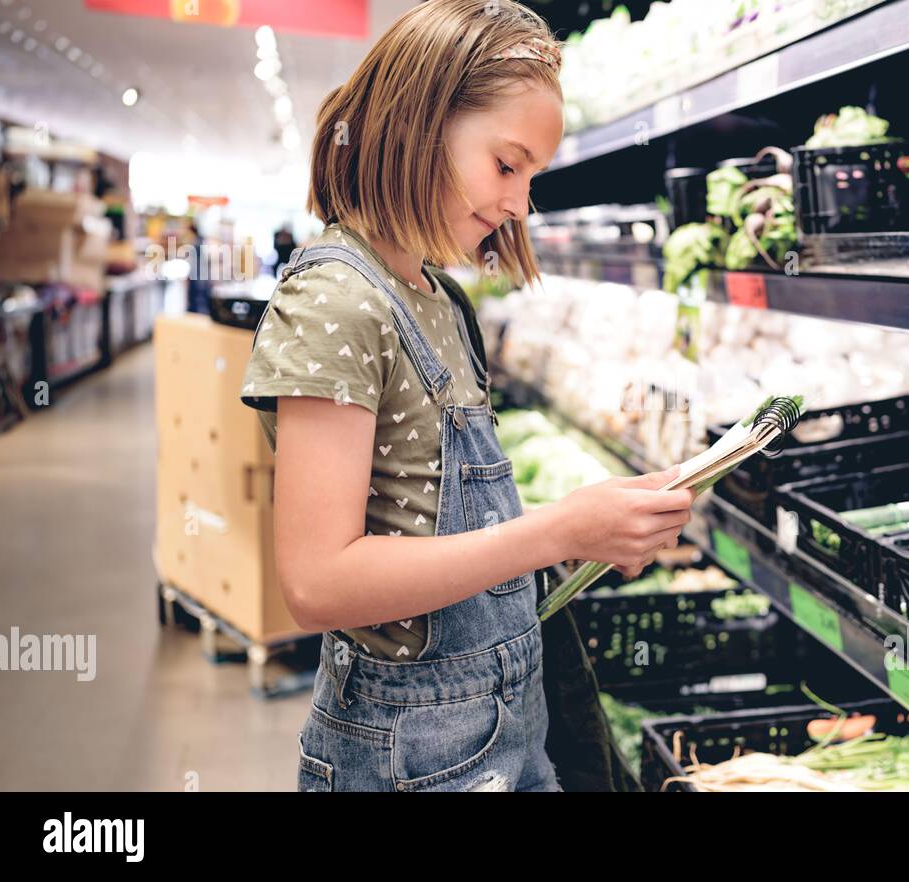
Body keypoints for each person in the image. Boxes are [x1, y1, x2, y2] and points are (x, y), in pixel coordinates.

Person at [239, 0, 693, 792]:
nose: (519, 204)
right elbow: (317, 582)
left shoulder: (441, 299)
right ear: (418, 123)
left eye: (532, 177)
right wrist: (552, 531)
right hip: (409, 750)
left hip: (508, 729)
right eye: (506, 165)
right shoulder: (338, 302)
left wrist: (591, 531)